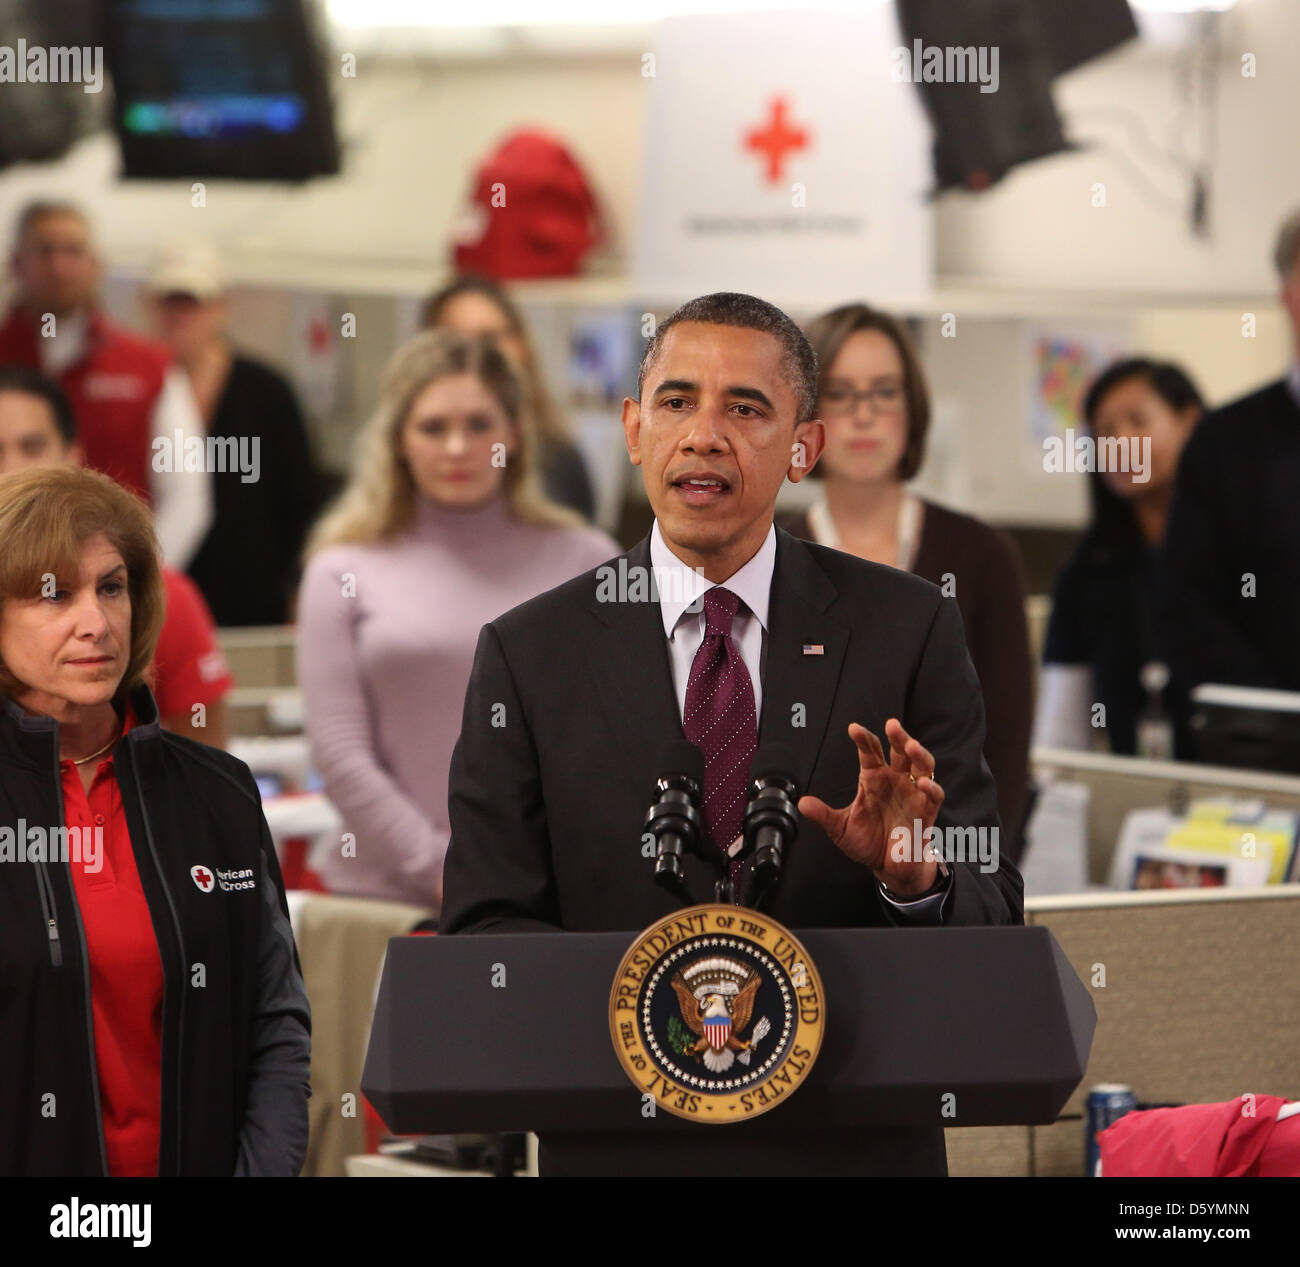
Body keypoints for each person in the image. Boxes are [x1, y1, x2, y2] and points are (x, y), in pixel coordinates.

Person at [439, 292, 1023, 1177]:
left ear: (804, 447)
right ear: (634, 428)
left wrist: (913, 873)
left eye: (746, 409)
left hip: (851, 1146)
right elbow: (484, 931)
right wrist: (652, 1008)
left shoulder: (907, 628)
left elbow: (994, 908)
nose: (705, 434)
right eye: (677, 402)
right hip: (621, 1148)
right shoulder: (529, 653)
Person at [0, 464, 309, 1176]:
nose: (96, 621)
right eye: (55, 594)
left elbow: (275, 1024)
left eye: (111, 587)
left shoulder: (217, 792)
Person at [297, 330, 618, 912]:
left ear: (514, 436)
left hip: (549, 896)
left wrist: (523, 871)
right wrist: (447, 871)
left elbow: (610, 741)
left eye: (478, 425)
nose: (455, 447)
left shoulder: (586, 560)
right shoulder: (340, 569)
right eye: (432, 427)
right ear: (398, 439)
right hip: (380, 904)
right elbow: (340, 753)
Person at [779, 303, 1034, 862]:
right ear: (806, 417)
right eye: (841, 394)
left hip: (942, 877)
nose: (864, 416)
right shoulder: (767, 555)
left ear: (914, 407)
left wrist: (970, 889)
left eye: (885, 392)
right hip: (799, 869)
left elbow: (1007, 748)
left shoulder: (983, 556)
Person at [0, 365, 234, 747]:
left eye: (32, 446)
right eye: (55, 595)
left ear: (73, 456)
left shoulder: (163, 592)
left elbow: (208, 770)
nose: (11, 468)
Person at [0, 200, 212, 570]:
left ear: (95, 265)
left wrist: (133, 583)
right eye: (45, 250)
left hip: (116, 577)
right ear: (16, 263)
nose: (59, 266)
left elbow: (186, 497)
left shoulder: (148, 366)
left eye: (73, 251)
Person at [1158, 208, 1300, 738]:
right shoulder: (1225, 441)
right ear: (1286, 293)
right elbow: (1185, 603)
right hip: (1264, 751)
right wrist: (1273, 716)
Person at [144, 239, 327, 626]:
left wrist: (301, 586)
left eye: (192, 301)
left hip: (252, 597)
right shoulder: (139, 388)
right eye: (170, 301)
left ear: (220, 307)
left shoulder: (266, 392)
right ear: (151, 306)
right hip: (161, 596)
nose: (181, 315)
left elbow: (301, 497)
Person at [1035, 358, 1203, 756]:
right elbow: (1061, 735)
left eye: (1138, 421)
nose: (1120, 443)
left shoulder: (1241, 557)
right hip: (1136, 800)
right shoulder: (1087, 573)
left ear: (1190, 421)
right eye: (1106, 430)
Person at [423, 274, 598, 520]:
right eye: (457, 344)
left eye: (489, 339)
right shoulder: (411, 459)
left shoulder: (559, 459)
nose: (475, 357)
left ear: (521, 345)